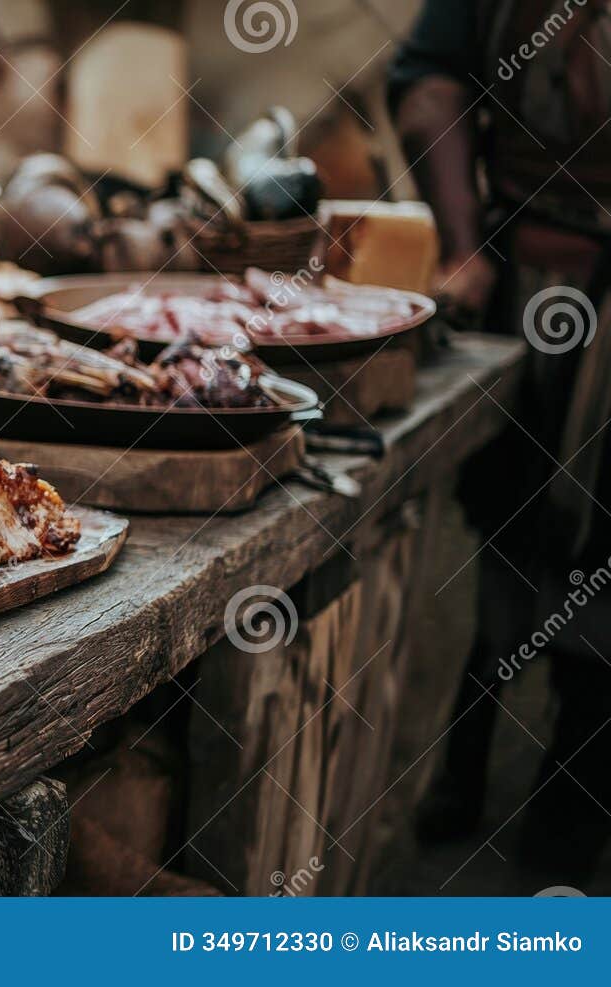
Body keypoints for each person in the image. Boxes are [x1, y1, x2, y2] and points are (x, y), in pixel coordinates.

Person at [390, 0, 611, 884]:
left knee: (596, 561)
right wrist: (458, 244)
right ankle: (468, 754)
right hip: (520, 280)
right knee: (505, 524)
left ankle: (559, 834)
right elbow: (427, 87)